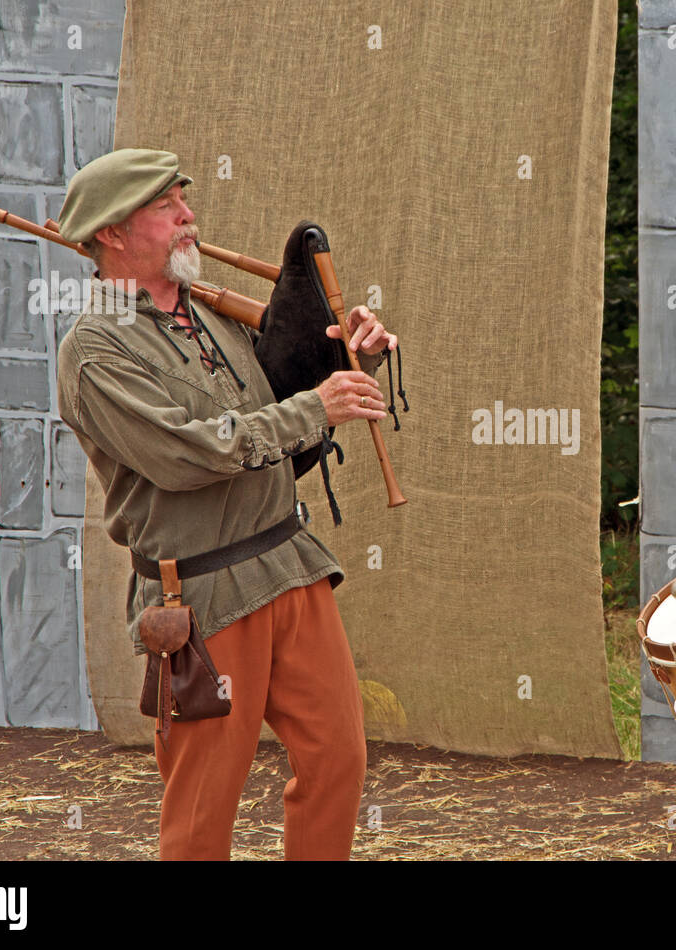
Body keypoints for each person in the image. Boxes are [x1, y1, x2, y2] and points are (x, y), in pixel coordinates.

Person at [55, 148, 395, 860]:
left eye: (185, 200)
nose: (189, 217)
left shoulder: (210, 313)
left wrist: (346, 356)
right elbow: (188, 454)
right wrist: (316, 407)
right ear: (113, 234)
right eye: (167, 207)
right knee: (205, 803)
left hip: (289, 563)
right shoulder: (93, 352)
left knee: (338, 760)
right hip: (201, 595)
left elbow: (279, 409)